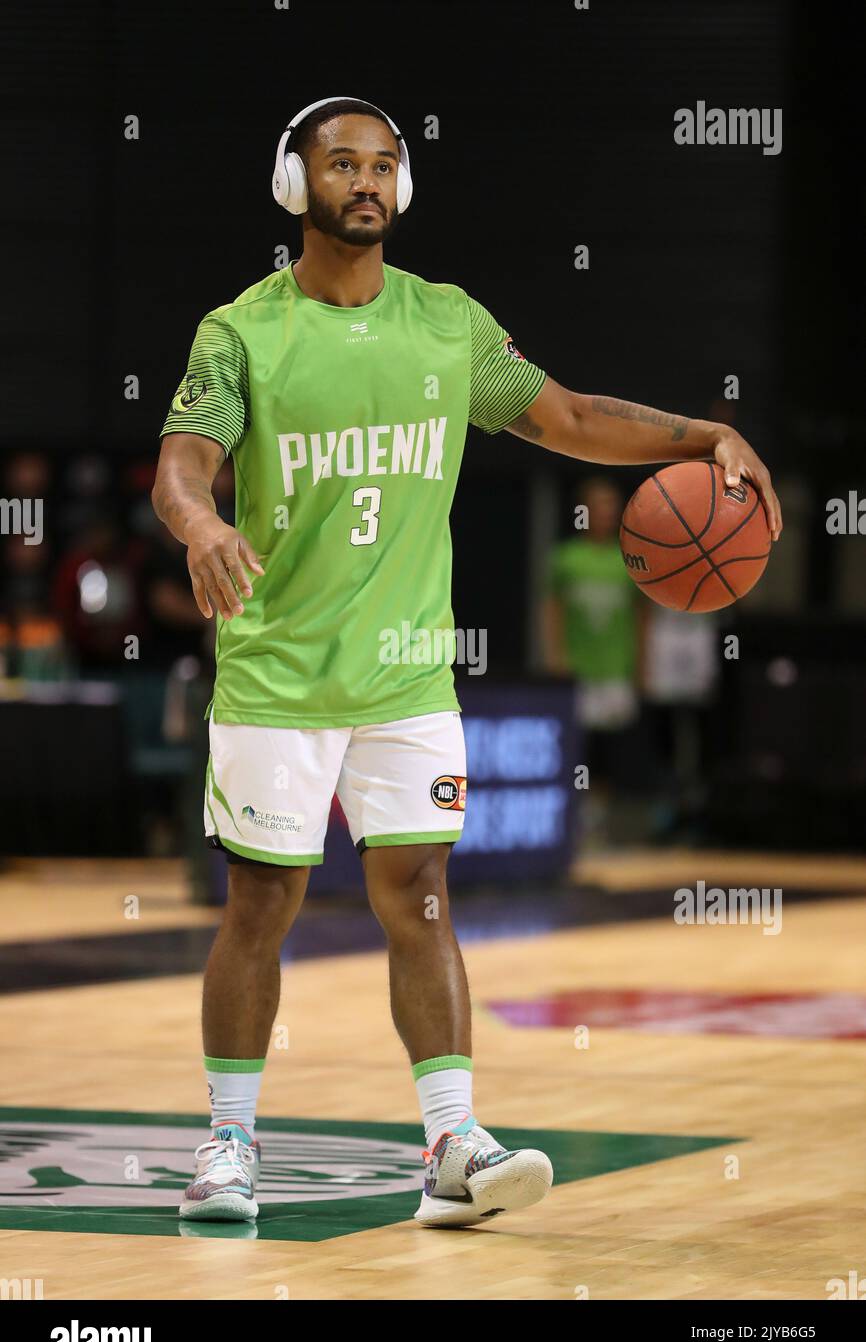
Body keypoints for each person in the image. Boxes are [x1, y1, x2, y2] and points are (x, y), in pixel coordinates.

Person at [151, 96, 783, 1228]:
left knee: (424, 898)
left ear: (402, 187)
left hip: (406, 676)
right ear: (295, 187)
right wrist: (202, 526)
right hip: (277, 673)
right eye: (340, 162)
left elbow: (572, 417)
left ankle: (448, 1144)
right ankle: (229, 1146)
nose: (366, 179)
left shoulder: (446, 325)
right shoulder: (239, 331)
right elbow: (182, 465)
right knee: (263, 904)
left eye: (384, 164)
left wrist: (699, 434)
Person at [543, 478, 648, 850]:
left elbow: (642, 616)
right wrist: (556, 657)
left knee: (612, 752)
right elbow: (552, 611)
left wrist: (641, 666)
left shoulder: (630, 560)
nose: (605, 514)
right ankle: (574, 823)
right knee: (577, 751)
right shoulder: (566, 559)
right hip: (578, 672)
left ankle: (601, 824)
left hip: (616, 669)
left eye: (610, 506)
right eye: (597, 506)